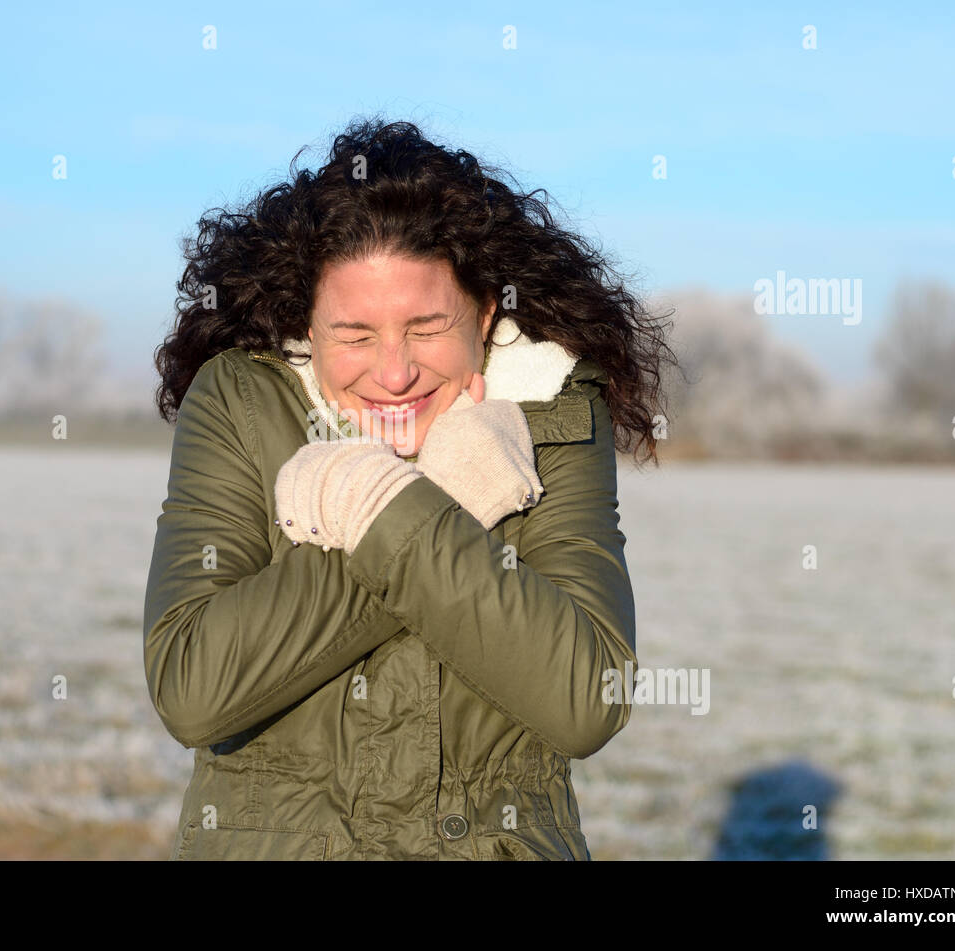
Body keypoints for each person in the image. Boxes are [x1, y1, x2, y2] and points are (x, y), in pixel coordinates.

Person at [144, 117, 678, 860]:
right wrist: (442, 498)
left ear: (484, 314)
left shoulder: (551, 406)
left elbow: (587, 697)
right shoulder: (241, 400)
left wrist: (385, 514)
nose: (394, 374)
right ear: (308, 326)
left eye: (426, 327)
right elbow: (192, 686)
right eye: (355, 335)